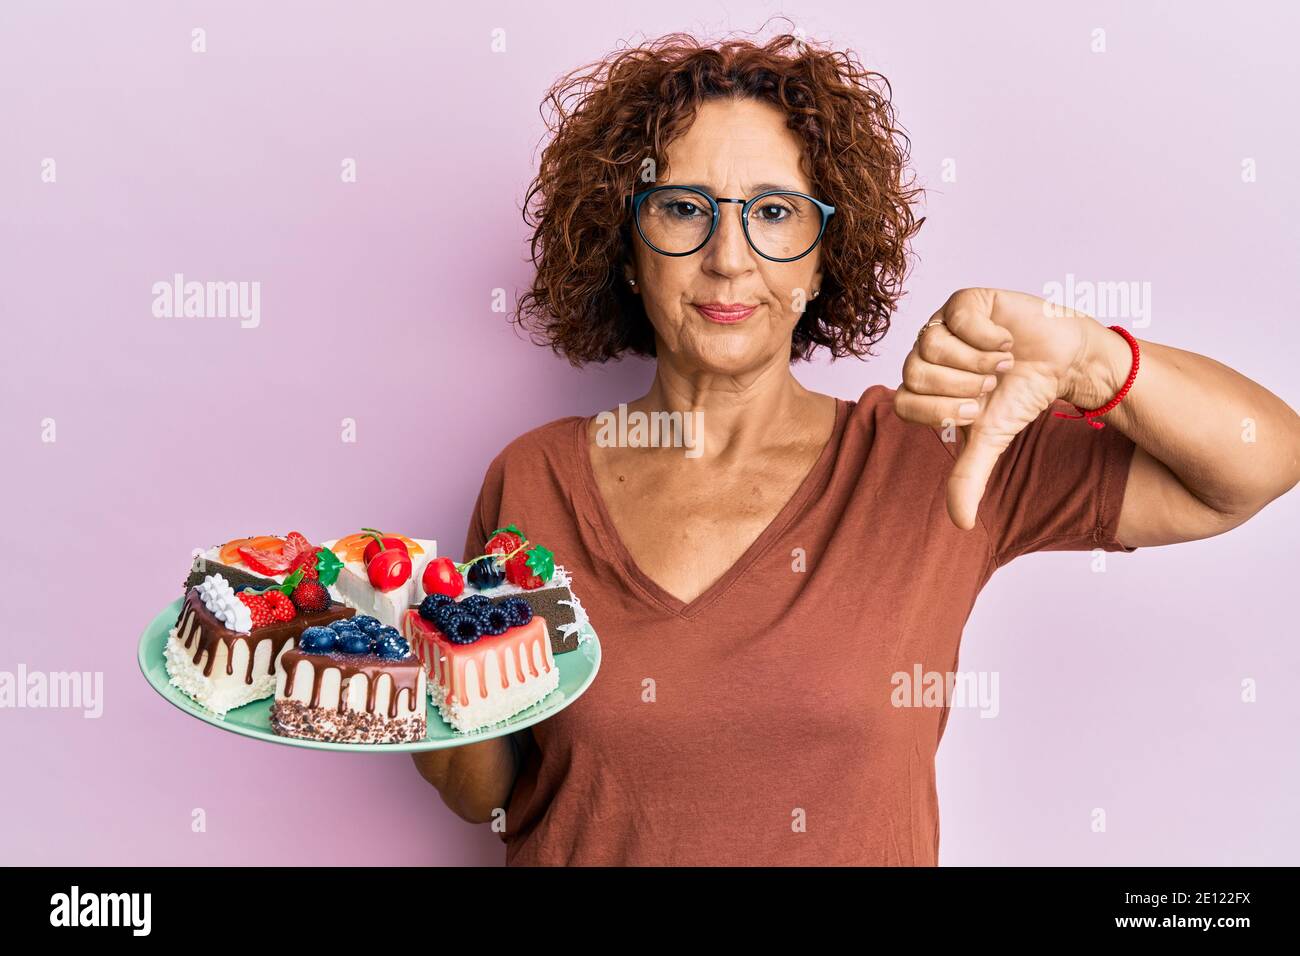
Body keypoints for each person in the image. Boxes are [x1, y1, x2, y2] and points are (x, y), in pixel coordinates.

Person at [411, 32, 1300, 865]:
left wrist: (1092, 357)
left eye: (775, 212)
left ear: (822, 257)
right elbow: (489, 794)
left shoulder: (934, 451)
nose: (729, 257)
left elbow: (1259, 461)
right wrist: (408, 677)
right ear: (627, 241)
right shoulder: (532, 477)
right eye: (682, 208)